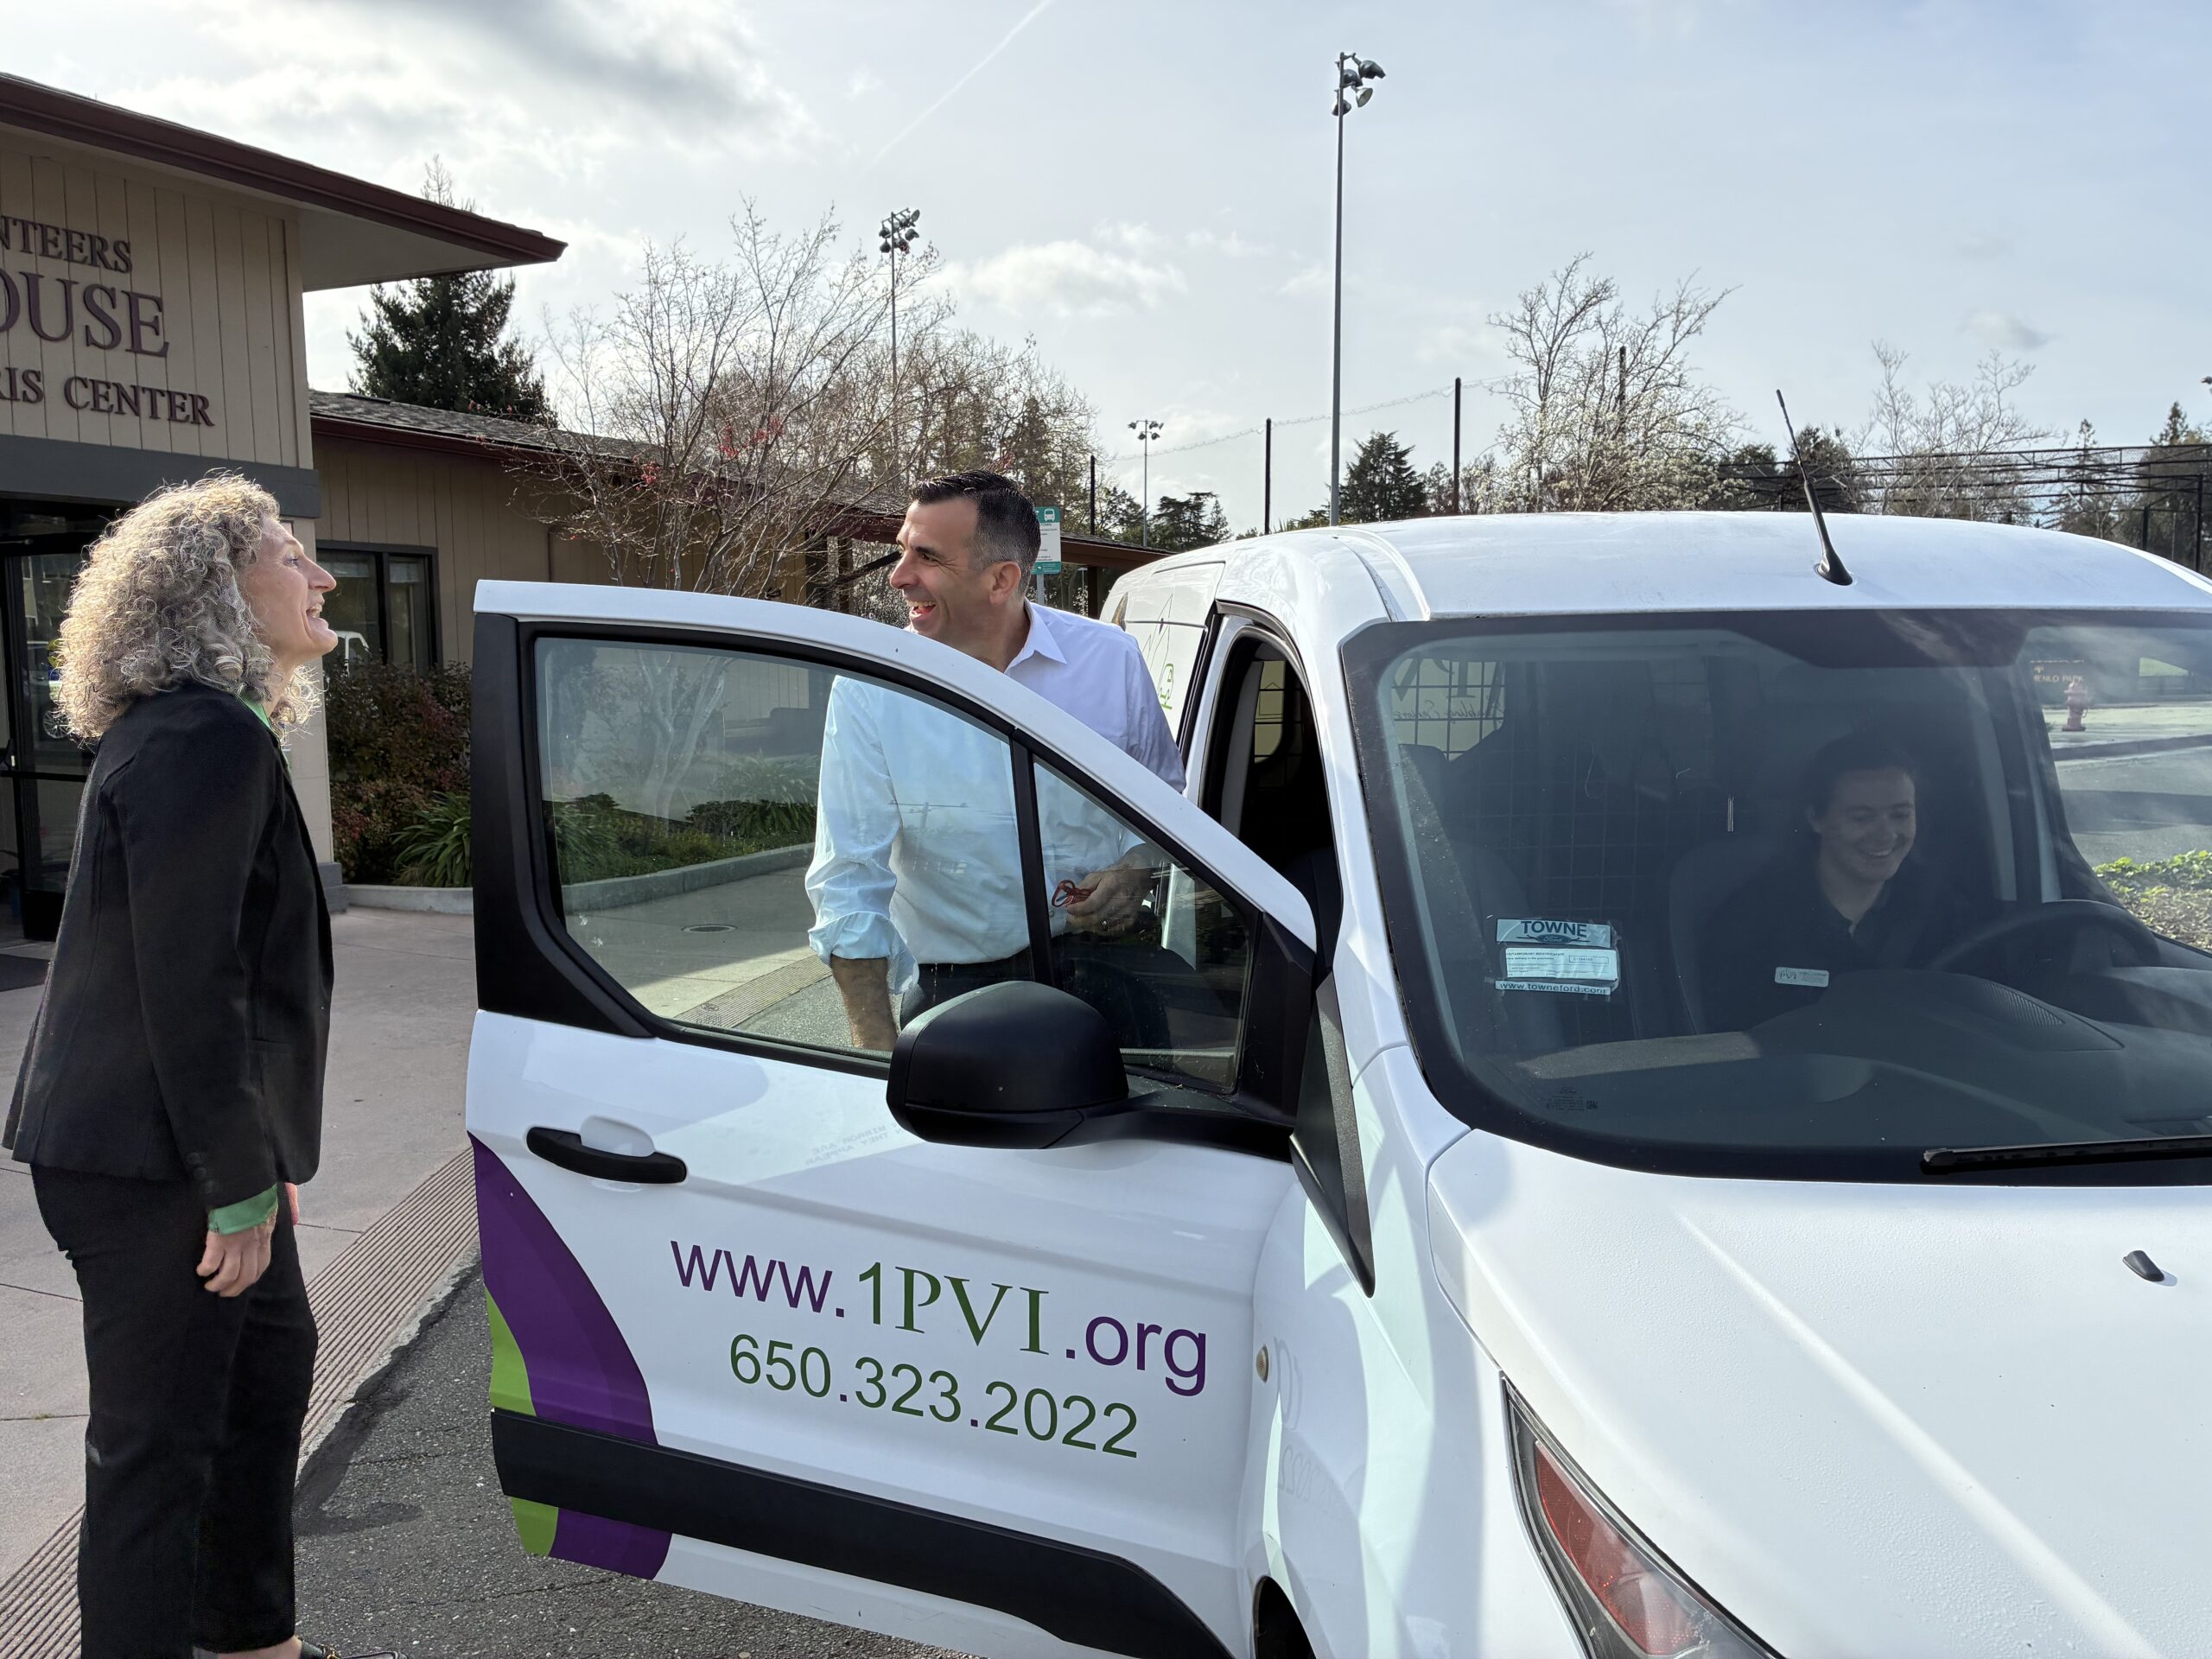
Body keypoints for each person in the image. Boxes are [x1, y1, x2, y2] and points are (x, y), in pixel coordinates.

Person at [2, 477, 367, 1659]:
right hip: (144, 1158)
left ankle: (251, 1639)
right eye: (289, 557)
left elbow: (233, 978)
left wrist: (260, 1151)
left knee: (266, 1379)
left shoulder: (206, 730)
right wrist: (235, 1177)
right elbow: (188, 980)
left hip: (187, 1144)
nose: (321, 578)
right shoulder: (199, 736)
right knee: (156, 1449)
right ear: (215, 588)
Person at [809, 469, 1182, 1050]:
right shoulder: (872, 687)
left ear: (1002, 579)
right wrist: (877, 1054)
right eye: (901, 551)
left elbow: (1163, 801)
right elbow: (849, 881)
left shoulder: (1111, 661)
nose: (899, 577)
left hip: (1111, 975)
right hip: (956, 1001)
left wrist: (1134, 868)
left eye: (926, 557)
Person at [1700, 731, 1973, 1031]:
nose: (1886, 834)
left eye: (1900, 815)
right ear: (1816, 819)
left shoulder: (1943, 913)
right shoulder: (1750, 923)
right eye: (1861, 817)